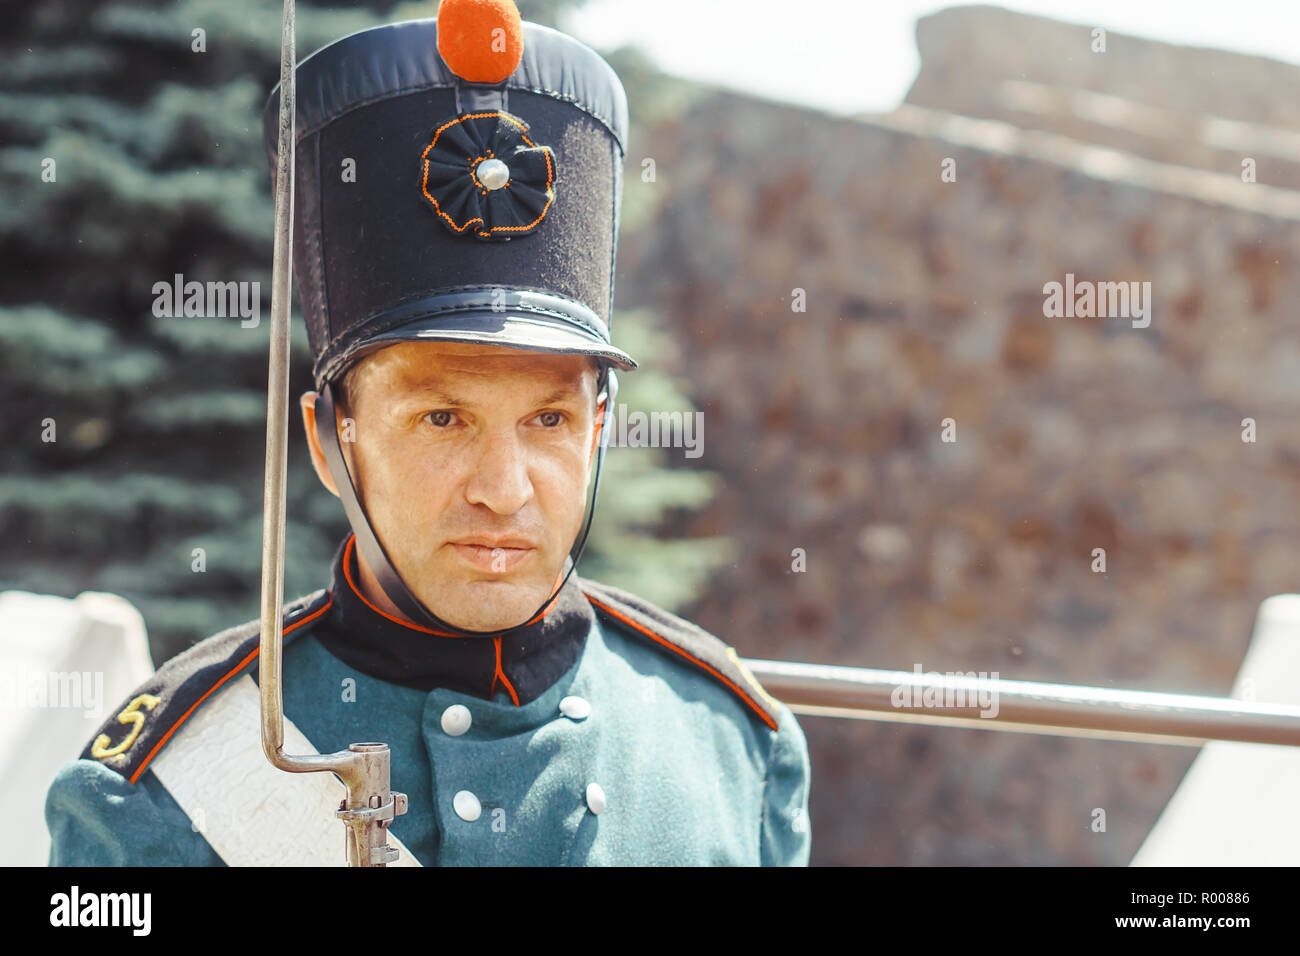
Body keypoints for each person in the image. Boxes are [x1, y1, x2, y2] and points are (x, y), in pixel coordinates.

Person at [45, 0, 811, 866]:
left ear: (599, 428)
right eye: (442, 418)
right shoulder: (157, 792)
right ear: (331, 440)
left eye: (549, 419)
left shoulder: (734, 745)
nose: (505, 487)